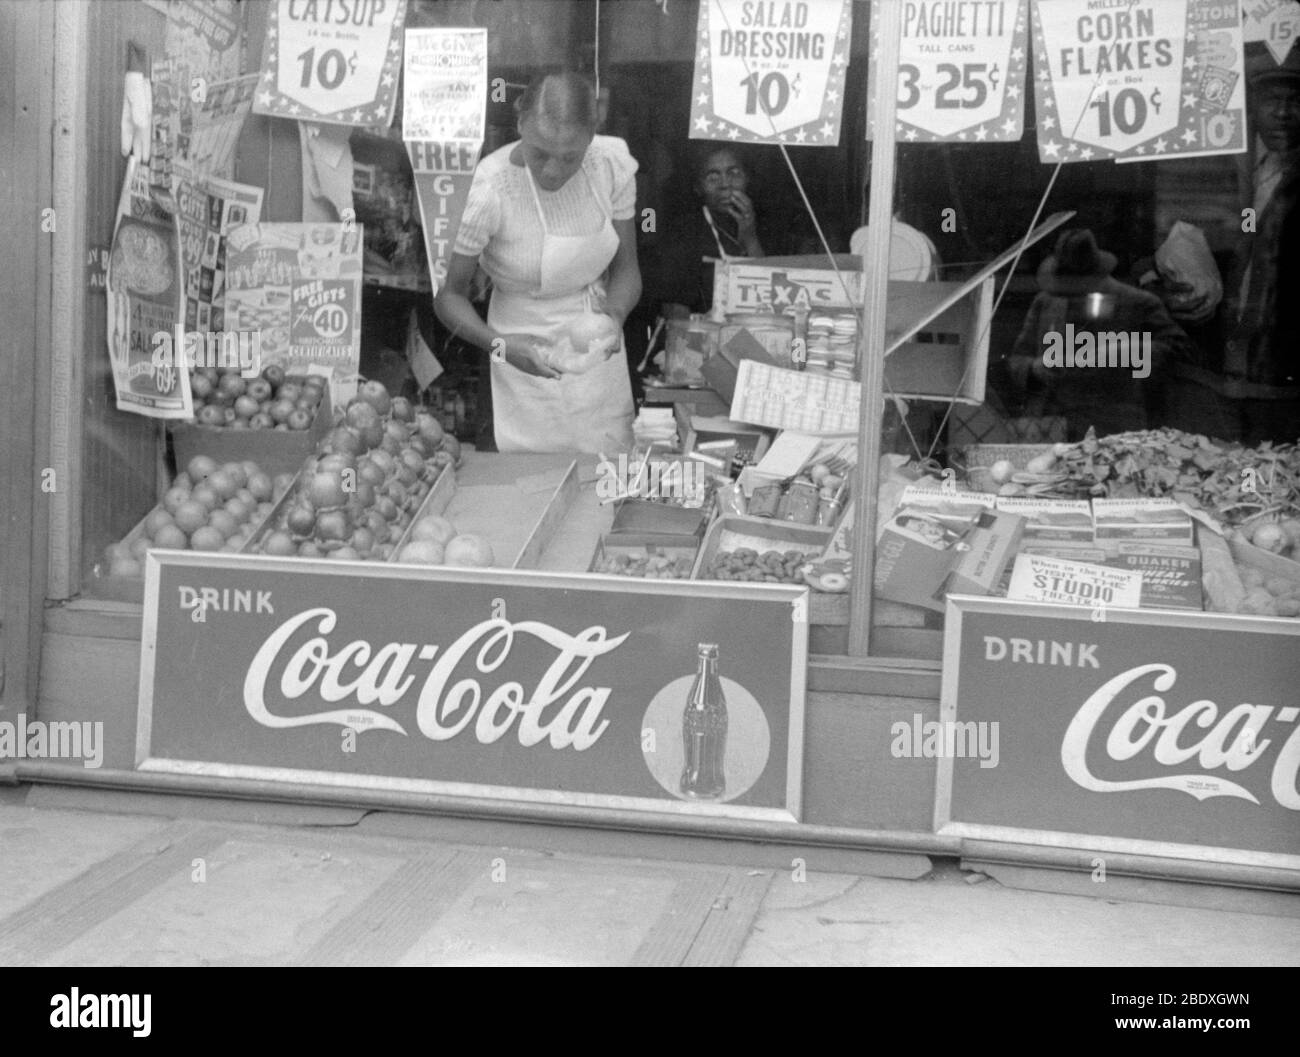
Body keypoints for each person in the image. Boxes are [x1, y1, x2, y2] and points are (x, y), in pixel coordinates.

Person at [434, 72, 642, 453]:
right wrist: (499, 346)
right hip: (515, 353)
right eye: (539, 153)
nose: (552, 170)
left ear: (592, 136)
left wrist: (614, 317)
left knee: (604, 480)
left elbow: (627, 271)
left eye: (570, 157)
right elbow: (449, 298)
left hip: (598, 354)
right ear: (519, 124)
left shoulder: (612, 166)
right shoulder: (489, 190)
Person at [1162, 45, 1300, 443]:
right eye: (1272, 99)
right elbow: (1230, 243)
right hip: (1226, 373)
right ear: (1252, 105)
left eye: (1297, 100)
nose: (1284, 113)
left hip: (1282, 378)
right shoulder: (1247, 172)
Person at [1007, 229, 1192, 440]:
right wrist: (1035, 368)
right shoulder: (1046, 303)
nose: (1074, 296)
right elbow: (1016, 361)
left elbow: (1180, 351)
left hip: (1118, 423)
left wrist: (1128, 349)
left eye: (1079, 287)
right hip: (1055, 424)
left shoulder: (1138, 303)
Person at [644, 145, 768, 320]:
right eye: (713, 177)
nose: (725, 185)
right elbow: (675, 309)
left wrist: (750, 238)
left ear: (747, 178)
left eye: (733, 173)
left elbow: (771, 293)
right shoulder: (684, 231)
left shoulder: (768, 224)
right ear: (698, 187)